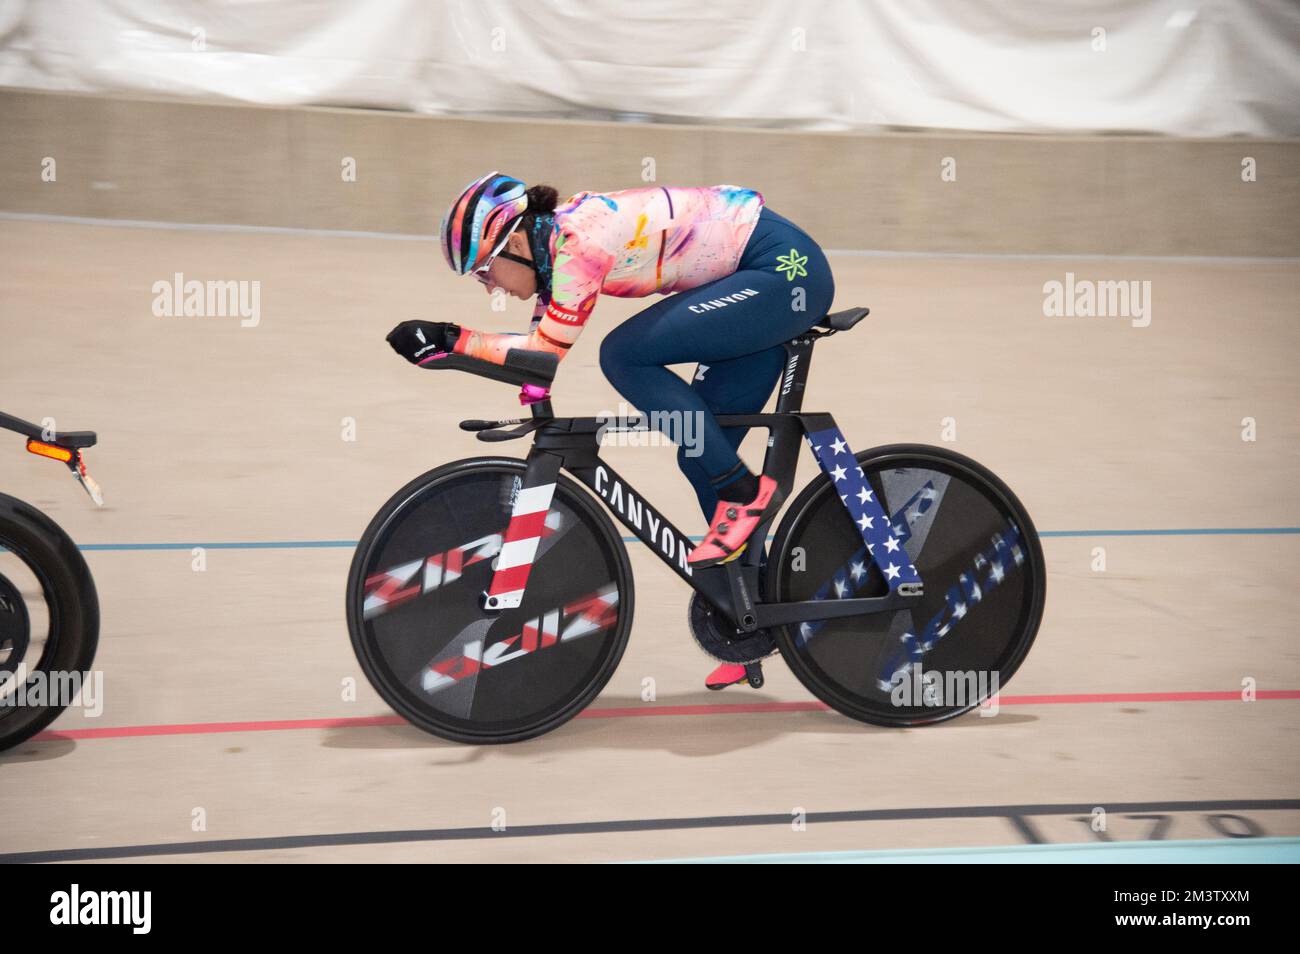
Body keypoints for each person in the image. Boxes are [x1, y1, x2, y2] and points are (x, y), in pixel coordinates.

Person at [388, 172, 835, 687]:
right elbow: (535, 356)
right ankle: (748, 617)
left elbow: (542, 354)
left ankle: (743, 492)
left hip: (782, 273)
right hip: (754, 279)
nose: (489, 287)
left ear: (514, 240)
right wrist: (460, 354)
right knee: (700, 455)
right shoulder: (554, 255)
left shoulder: (579, 243)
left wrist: (450, 336)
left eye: (485, 271)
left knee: (623, 355)